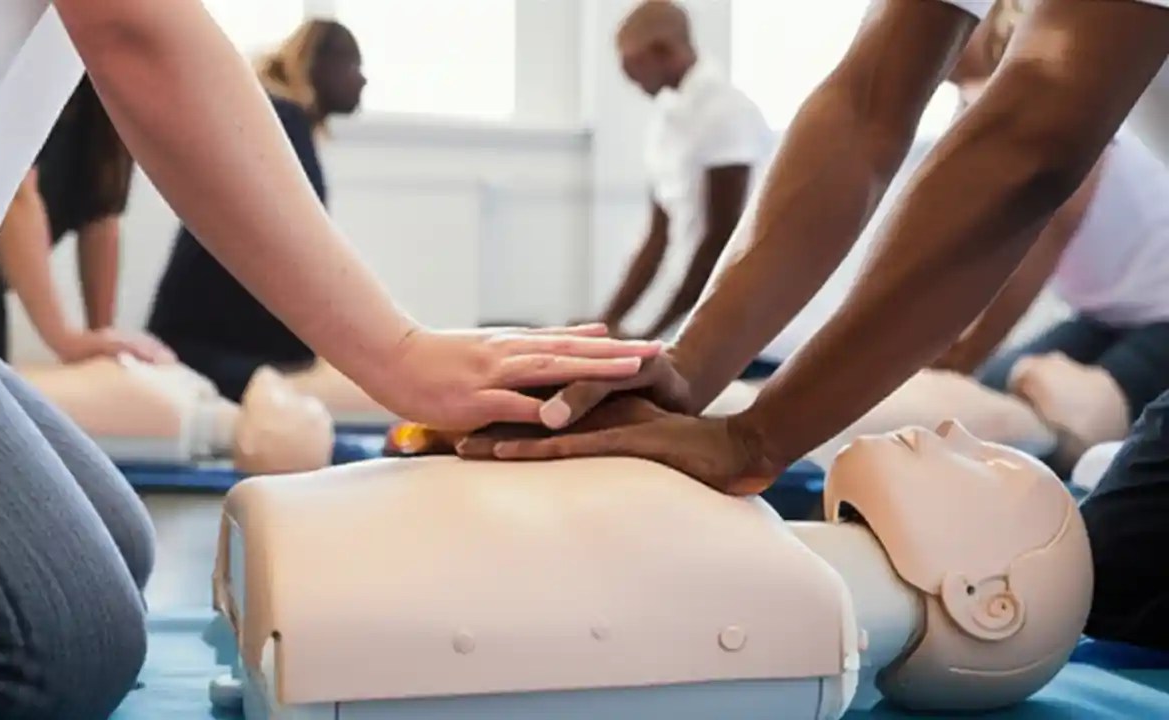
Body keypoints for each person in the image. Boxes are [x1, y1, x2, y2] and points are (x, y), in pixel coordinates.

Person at [0, 2, 659, 718]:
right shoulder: (277, 116)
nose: (364, 82)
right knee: (64, 646)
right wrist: (399, 356)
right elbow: (136, 29)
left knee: (122, 544)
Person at [465, 0, 1169, 650]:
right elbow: (865, 105)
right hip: (1111, 310)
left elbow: (1038, 132)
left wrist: (758, 435)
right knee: (1113, 568)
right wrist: (688, 371)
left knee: (1102, 574)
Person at [933, 29, 1169, 469]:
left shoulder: (1050, 88)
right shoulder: (970, 113)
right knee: (999, 383)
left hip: (1163, 315)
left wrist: (964, 354)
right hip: (1106, 315)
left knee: (1066, 427)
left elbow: (1045, 231)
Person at [147, 19, 355, 401]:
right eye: (351, 64)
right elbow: (294, 242)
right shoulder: (285, 119)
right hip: (202, 346)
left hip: (199, 337)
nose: (362, 79)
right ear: (318, 63)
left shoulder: (283, 120)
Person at [0, 78, 173, 364]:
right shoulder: (36, 60)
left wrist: (101, 341)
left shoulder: (105, 102)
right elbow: (16, 195)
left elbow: (101, 214)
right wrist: (65, 340)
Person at [593, 1, 774, 355]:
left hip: (737, 318)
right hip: (691, 311)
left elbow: (721, 241)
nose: (627, 77)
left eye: (630, 65)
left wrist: (655, 336)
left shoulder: (725, 112)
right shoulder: (667, 118)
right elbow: (657, 236)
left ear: (663, 51)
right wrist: (606, 324)